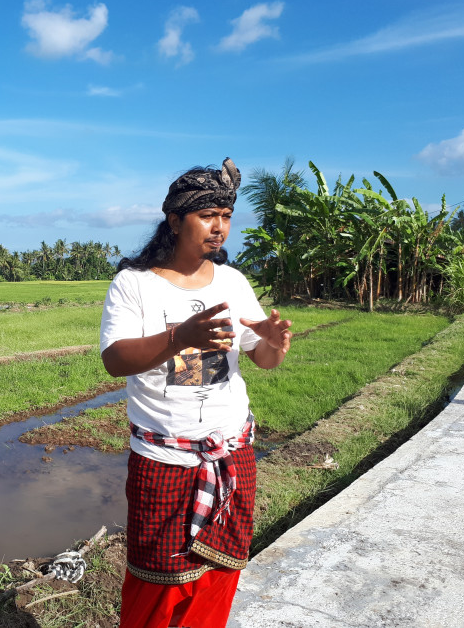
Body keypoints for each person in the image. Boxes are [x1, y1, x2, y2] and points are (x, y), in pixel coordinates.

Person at [100, 158, 292, 628]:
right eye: (208, 216)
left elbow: (262, 360)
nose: (219, 227)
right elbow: (114, 360)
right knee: (156, 584)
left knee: (219, 578)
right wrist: (180, 336)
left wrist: (273, 341)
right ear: (174, 220)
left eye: (226, 217)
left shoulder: (232, 282)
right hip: (164, 459)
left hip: (231, 452)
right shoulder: (134, 284)